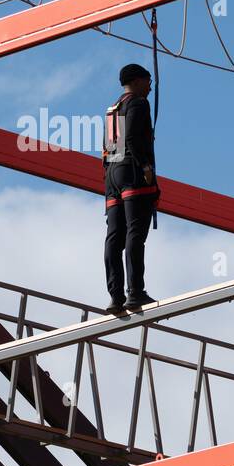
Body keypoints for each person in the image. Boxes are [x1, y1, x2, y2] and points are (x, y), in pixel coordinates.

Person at [103, 63, 159, 314]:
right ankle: (134, 293)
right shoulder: (138, 104)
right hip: (132, 171)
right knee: (135, 232)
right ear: (137, 81)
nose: (150, 86)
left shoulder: (112, 110)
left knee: (114, 237)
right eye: (148, 81)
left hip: (112, 174)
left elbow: (108, 148)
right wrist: (146, 167)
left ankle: (115, 297)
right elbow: (135, 139)